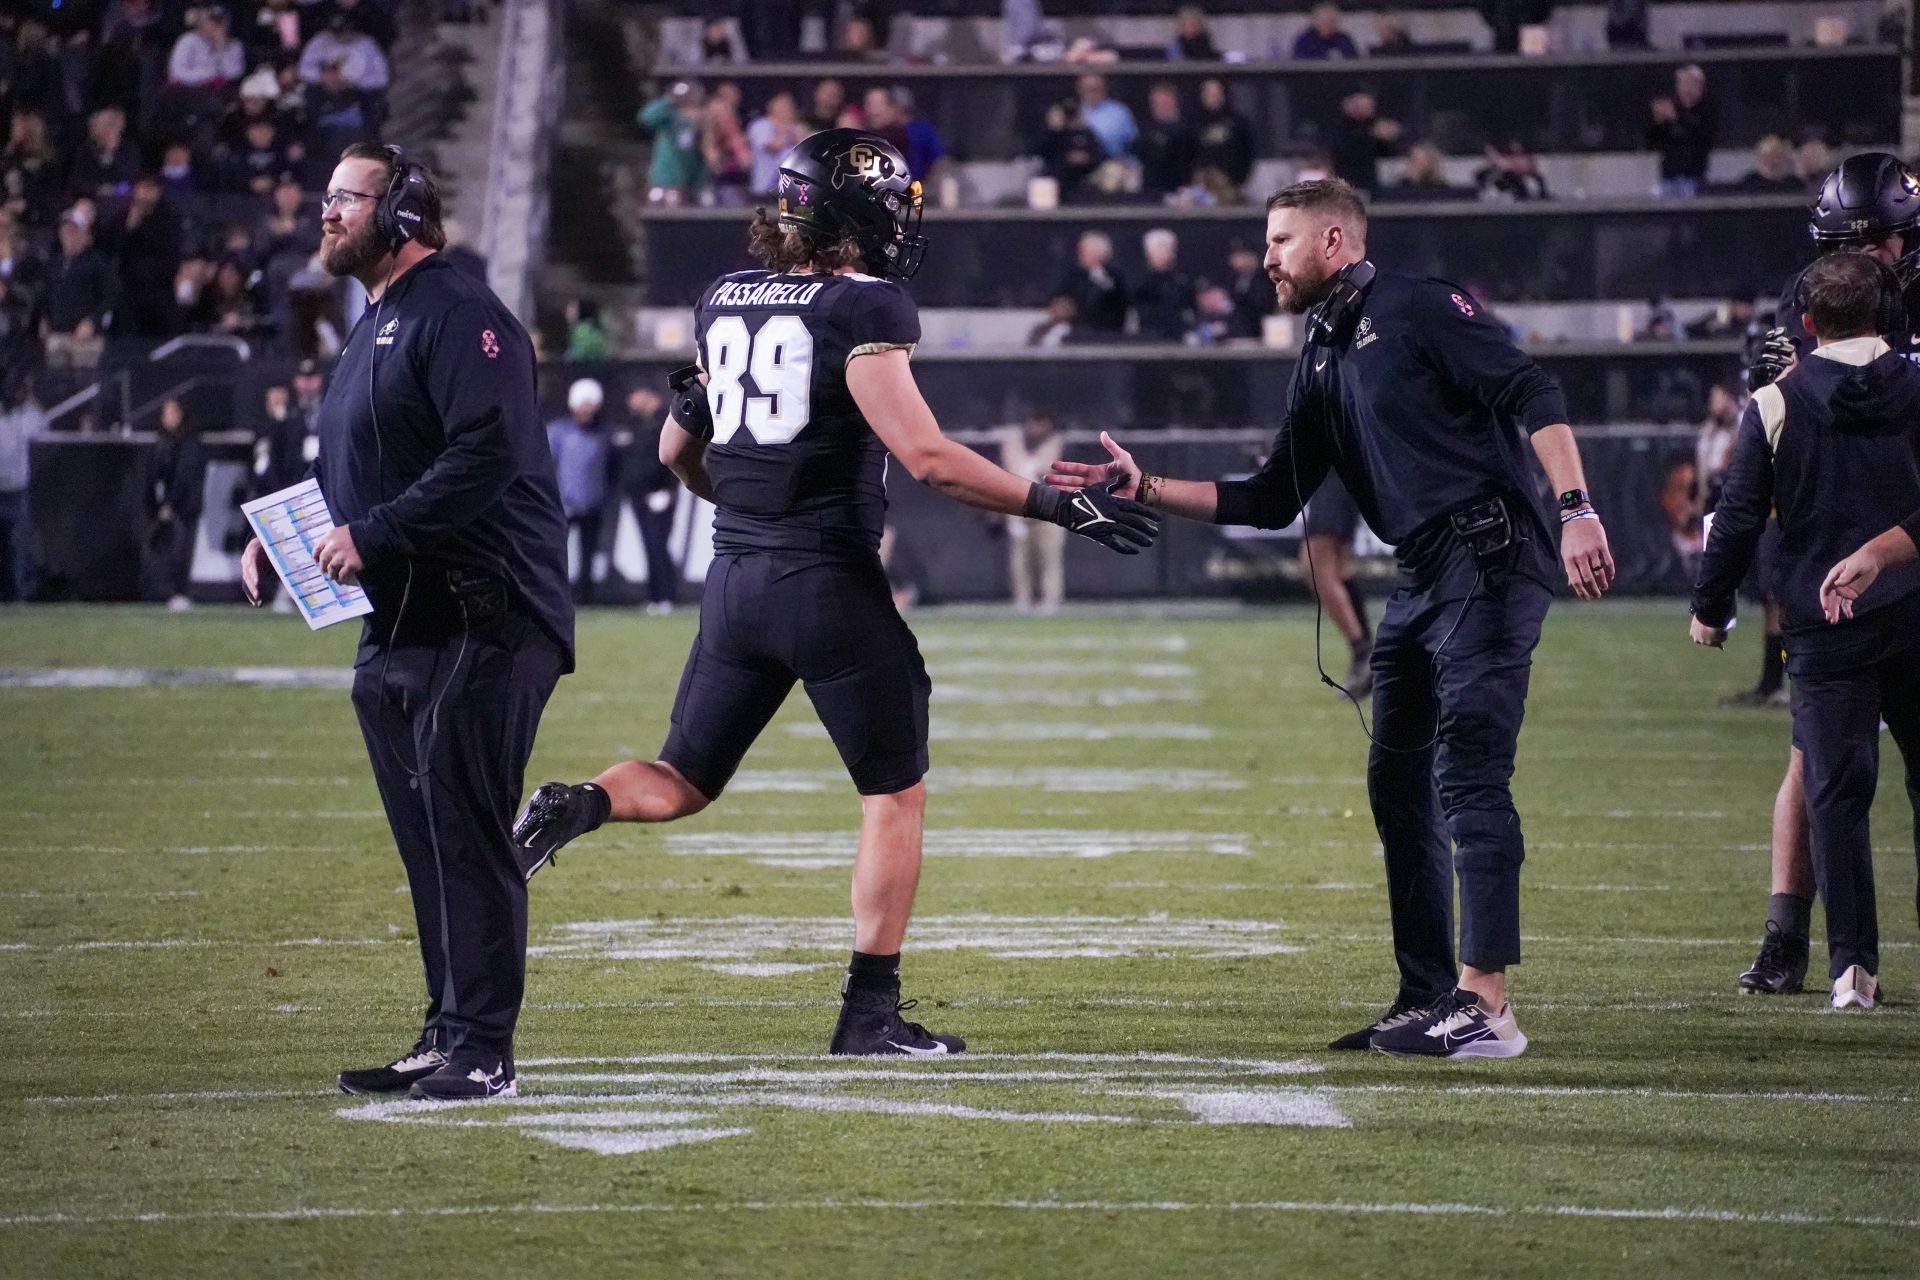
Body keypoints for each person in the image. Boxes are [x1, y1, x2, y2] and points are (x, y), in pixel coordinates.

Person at [509, 129, 1157, 1057]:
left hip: (734, 581)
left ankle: (575, 805)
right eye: (889, 210)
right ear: (853, 219)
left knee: (682, 779)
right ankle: (869, 1013)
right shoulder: (863, 308)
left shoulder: (722, 299)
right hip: (828, 584)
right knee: (894, 795)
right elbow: (928, 458)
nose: (899, 228)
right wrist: (1059, 506)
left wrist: (755, 512)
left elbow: (675, 454)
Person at [1048, 179, 1614, 1058]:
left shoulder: (1420, 308)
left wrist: (1576, 507)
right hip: (1422, 576)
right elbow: (1273, 497)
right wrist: (1147, 485)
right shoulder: (1319, 348)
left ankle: (1488, 1008)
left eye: (1279, 241)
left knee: (1468, 773)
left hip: (1491, 557)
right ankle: (1428, 993)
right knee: (1396, 782)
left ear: (1336, 242)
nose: (1265, 258)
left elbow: (1532, 391)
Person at [240, 143, 573, 1103]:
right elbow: (372, 465)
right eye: (326, 196)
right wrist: (288, 531)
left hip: (486, 611)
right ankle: (446, 1029)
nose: (326, 214)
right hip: (404, 616)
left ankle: (485, 1049)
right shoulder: (375, 321)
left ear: (404, 210)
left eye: (345, 198)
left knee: (466, 830)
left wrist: (373, 532)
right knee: (428, 838)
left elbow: (488, 452)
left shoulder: (460, 313)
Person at [1691, 251, 1920, 1011]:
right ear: (1884, 315)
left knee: (1837, 796)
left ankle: (1853, 969)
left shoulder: (1774, 402)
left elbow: (1737, 518)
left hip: (1824, 626)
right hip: (1915, 610)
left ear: (1810, 323)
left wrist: (1710, 607)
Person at [547, 377, 616, 604]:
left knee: (589, 553)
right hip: (562, 503)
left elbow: (610, 469)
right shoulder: (558, 432)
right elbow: (547, 467)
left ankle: (585, 596)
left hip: (593, 503)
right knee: (555, 552)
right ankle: (554, 594)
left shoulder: (604, 434)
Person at [1001, 407, 1067, 612]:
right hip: (1020, 508)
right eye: (1032, 421)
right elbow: (1011, 470)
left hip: (1051, 509)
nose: (1035, 427)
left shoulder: (1056, 441)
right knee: (1020, 558)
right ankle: (1023, 600)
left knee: (1050, 557)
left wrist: (1030, 468)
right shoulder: (1014, 442)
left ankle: (1051, 601)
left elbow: (1048, 470)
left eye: (1040, 422)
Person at [622, 383, 680, 613]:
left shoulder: (664, 419)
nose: (630, 403)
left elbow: (673, 456)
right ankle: (655, 596)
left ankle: (666, 595)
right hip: (640, 494)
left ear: (646, 393)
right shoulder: (637, 423)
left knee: (658, 545)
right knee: (649, 545)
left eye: (633, 395)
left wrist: (668, 488)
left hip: (659, 493)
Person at [144, 398, 207, 611]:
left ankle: (180, 591)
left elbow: (184, 476)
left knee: (181, 550)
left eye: (172, 413)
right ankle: (168, 591)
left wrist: (170, 504)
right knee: (167, 550)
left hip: (184, 507)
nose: (167, 417)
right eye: (165, 413)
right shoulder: (163, 442)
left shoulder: (190, 442)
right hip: (168, 506)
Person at [1646, 65, 1715, 198]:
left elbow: (1698, 137)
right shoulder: (1673, 108)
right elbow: (1651, 143)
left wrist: (1675, 118)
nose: (1687, 88)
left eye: (1691, 84)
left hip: (1693, 178)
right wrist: (1658, 121)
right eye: (1683, 83)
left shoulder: (1707, 110)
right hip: (1668, 177)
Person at [0, 374, 40, 603]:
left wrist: (29, 399)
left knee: (18, 548)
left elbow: (42, 425)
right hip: (10, 489)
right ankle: (12, 594)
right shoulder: (20, 416)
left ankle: (19, 595)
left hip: (15, 491)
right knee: (14, 548)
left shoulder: (23, 416)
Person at [1294, 3, 1361, 58]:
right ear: (1317, 22)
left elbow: (1355, 61)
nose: (1332, 25)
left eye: (1334, 21)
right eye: (1328, 21)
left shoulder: (1344, 39)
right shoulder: (1305, 42)